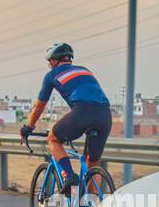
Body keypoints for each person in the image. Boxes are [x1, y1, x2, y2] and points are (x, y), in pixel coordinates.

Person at [20, 42, 110, 192]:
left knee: (53, 139)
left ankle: (69, 176)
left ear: (54, 61)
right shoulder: (84, 70)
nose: (50, 65)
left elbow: (39, 106)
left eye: (50, 62)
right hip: (105, 114)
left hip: (83, 112)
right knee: (93, 164)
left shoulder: (51, 75)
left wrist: (29, 126)